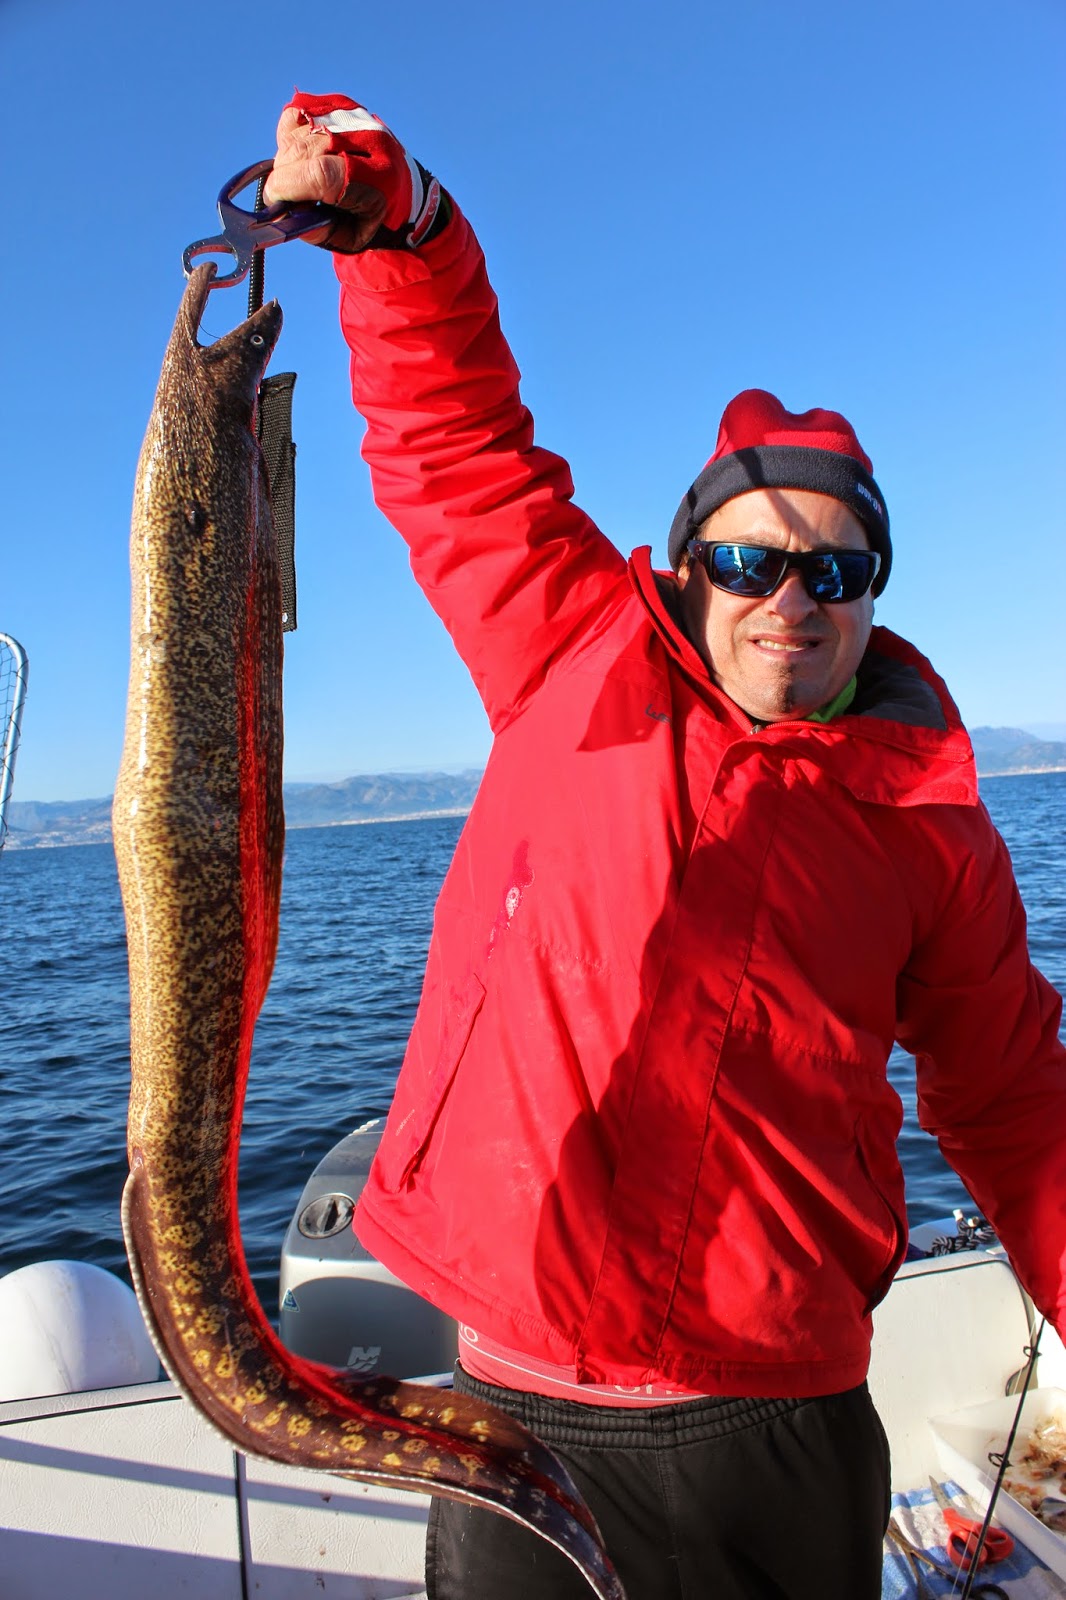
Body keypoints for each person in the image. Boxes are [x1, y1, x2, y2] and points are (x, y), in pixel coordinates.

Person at [265, 93, 1066, 1600]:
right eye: (754, 560)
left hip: (779, 1412)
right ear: (691, 572)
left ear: (871, 590)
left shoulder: (932, 818)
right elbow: (457, 449)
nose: (793, 595)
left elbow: (1011, 1091)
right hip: (511, 1401)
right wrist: (404, 235)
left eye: (834, 565)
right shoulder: (570, 654)